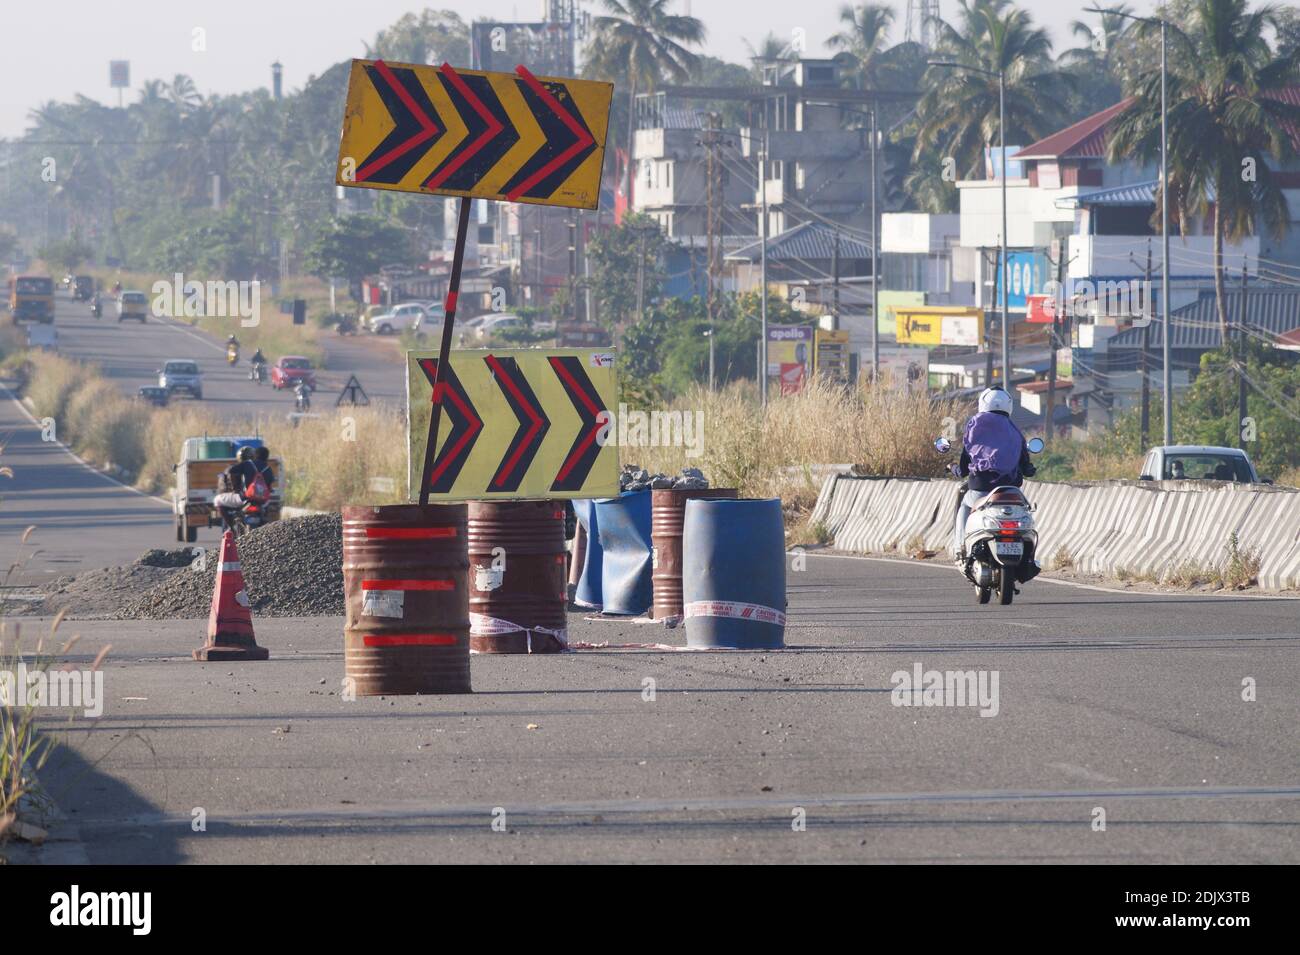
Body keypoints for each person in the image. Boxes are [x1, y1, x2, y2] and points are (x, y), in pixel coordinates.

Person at [951, 387, 1037, 561]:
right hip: (1010, 491)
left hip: (980, 490)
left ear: (983, 403)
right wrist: (1028, 469)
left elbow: (964, 468)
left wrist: (953, 468)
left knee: (965, 507)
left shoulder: (974, 427)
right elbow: (1027, 466)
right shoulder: (1014, 431)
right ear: (1009, 405)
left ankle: (960, 546)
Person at [213, 447, 257, 530]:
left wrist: (235, 489)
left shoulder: (239, 466)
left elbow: (229, 475)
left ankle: (231, 527)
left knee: (217, 500)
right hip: (260, 497)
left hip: (244, 497)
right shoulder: (260, 466)